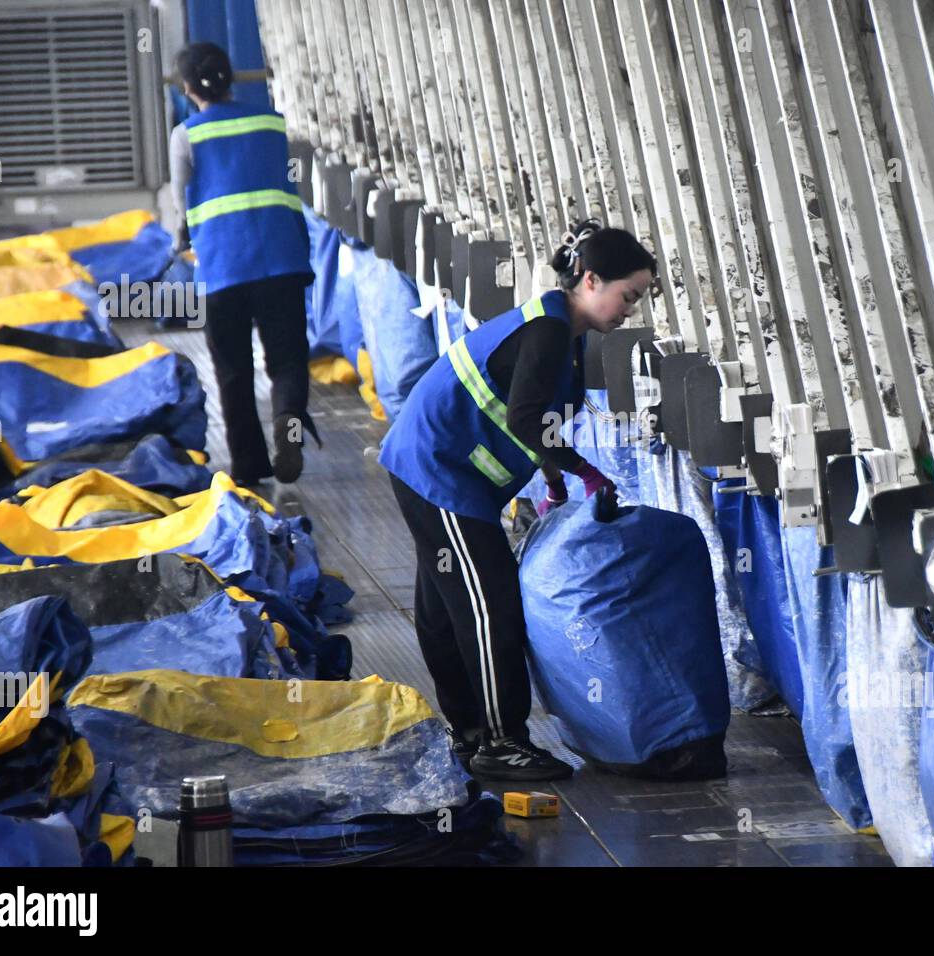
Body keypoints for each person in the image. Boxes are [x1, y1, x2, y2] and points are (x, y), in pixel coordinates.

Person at [380, 220, 657, 780]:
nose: (631, 311)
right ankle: (501, 740)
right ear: (591, 278)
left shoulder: (562, 332)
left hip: (441, 468)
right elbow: (526, 418)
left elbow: (533, 416)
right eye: (629, 296)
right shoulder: (550, 332)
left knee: (443, 608)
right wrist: (584, 473)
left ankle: (470, 735)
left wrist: (552, 479)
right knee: (489, 606)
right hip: (439, 469)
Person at [169, 42, 317, 487]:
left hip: (224, 269)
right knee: (288, 358)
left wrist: (181, 237)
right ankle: (288, 420)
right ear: (231, 77)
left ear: (187, 87)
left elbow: (181, 203)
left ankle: (250, 465)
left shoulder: (187, 134)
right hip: (282, 258)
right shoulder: (272, 122)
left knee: (233, 370)